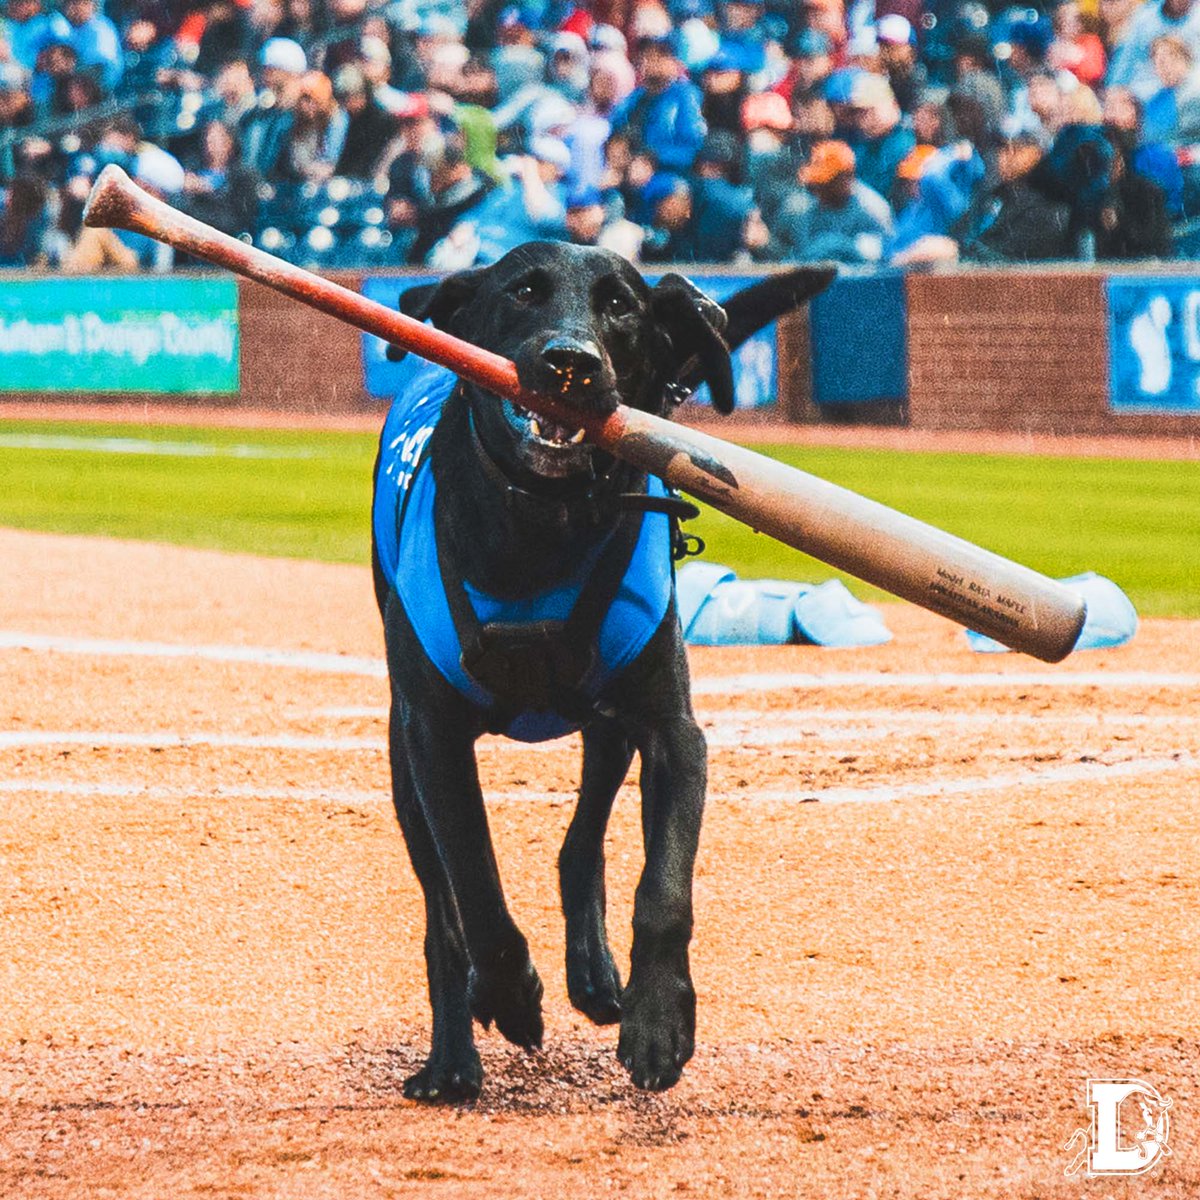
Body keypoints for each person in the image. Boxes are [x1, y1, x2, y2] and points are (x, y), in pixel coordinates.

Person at [769, 138, 893, 263]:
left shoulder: (871, 210)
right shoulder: (802, 208)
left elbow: (880, 265)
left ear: (847, 178)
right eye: (815, 184)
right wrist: (766, 245)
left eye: (826, 184)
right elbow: (791, 258)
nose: (818, 190)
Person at [608, 35, 707, 178]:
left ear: (675, 61)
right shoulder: (635, 98)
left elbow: (693, 148)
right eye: (647, 55)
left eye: (661, 54)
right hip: (630, 171)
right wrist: (616, 146)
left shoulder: (685, 95)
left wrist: (652, 159)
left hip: (671, 175)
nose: (652, 61)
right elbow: (616, 128)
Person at [1107, 0, 1200, 100]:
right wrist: (1113, 93)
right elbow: (1125, 62)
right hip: (1145, 99)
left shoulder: (1197, 19)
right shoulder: (1145, 17)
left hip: (1190, 93)